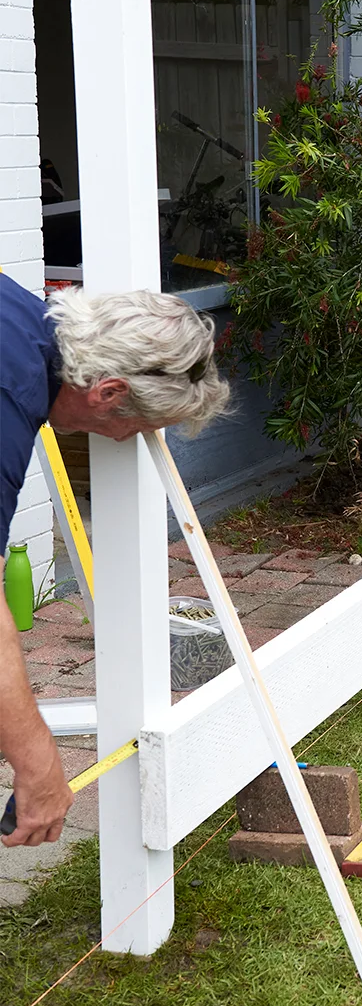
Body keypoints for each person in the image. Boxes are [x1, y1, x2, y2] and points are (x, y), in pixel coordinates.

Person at [0, 275, 229, 849]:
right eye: (140, 427)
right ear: (107, 392)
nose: (127, 441)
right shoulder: (9, 397)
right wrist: (36, 763)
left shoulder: (15, 314)